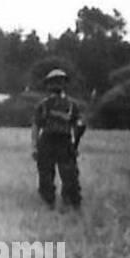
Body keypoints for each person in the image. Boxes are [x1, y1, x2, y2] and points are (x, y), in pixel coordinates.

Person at [31, 68, 86, 209]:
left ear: (65, 84)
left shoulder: (72, 105)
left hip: (64, 142)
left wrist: (75, 143)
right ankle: (48, 204)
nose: (57, 85)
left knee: (70, 177)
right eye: (54, 82)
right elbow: (36, 126)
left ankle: (70, 205)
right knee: (45, 177)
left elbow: (79, 124)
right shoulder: (43, 105)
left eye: (60, 81)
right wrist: (34, 146)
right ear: (48, 85)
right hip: (47, 141)